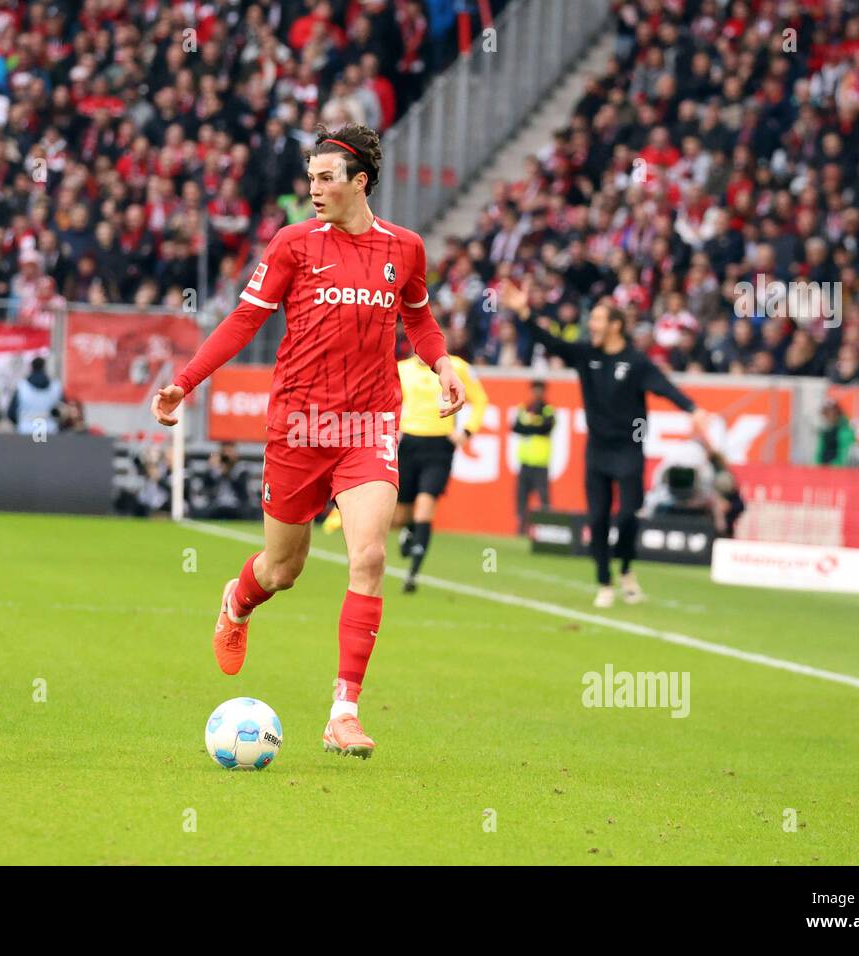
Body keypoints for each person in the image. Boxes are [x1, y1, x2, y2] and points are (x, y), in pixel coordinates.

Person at [151, 124, 466, 759]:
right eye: (311, 178)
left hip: (369, 423)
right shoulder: (294, 245)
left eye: (326, 179)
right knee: (283, 569)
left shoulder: (403, 248)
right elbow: (244, 319)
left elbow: (419, 317)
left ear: (360, 183)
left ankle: (343, 711)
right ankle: (237, 603)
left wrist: (443, 364)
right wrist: (185, 383)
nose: (314, 190)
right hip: (298, 425)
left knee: (370, 557)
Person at [503, 285, 707, 608]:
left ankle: (625, 567)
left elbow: (665, 388)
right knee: (597, 519)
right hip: (597, 451)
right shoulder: (586, 355)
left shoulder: (637, 362)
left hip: (629, 451)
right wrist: (524, 312)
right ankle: (604, 581)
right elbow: (551, 342)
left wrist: (694, 409)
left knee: (627, 517)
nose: (591, 325)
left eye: (597, 319)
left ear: (615, 325)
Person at [387, 347, 487, 593]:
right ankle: (409, 531)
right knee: (400, 516)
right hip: (409, 444)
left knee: (425, 506)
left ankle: (412, 574)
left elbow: (480, 399)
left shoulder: (457, 366)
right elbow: (388, 401)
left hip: (439, 447)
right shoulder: (401, 369)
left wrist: (467, 431)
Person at [512, 379, 556, 534]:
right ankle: (521, 529)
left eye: (540, 390)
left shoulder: (548, 410)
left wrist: (528, 427)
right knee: (521, 499)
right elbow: (516, 427)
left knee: (543, 498)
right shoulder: (524, 408)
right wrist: (534, 427)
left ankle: (547, 530)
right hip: (525, 462)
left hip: (540, 462)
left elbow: (547, 427)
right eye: (535, 390)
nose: (537, 393)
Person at [7, 357, 63, 436]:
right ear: (44, 367)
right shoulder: (56, 387)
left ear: (31, 367)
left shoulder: (22, 386)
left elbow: (11, 413)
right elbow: (62, 412)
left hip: (25, 430)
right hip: (50, 430)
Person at [815, 399, 855, 466]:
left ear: (837, 413)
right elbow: (819, 454)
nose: (826, 417)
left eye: (829, 413)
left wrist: (830, 469)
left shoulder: (845, 431)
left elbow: (844, 458)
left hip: (836, 472)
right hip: (822, 471)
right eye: (824, 414)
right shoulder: (826, 431)